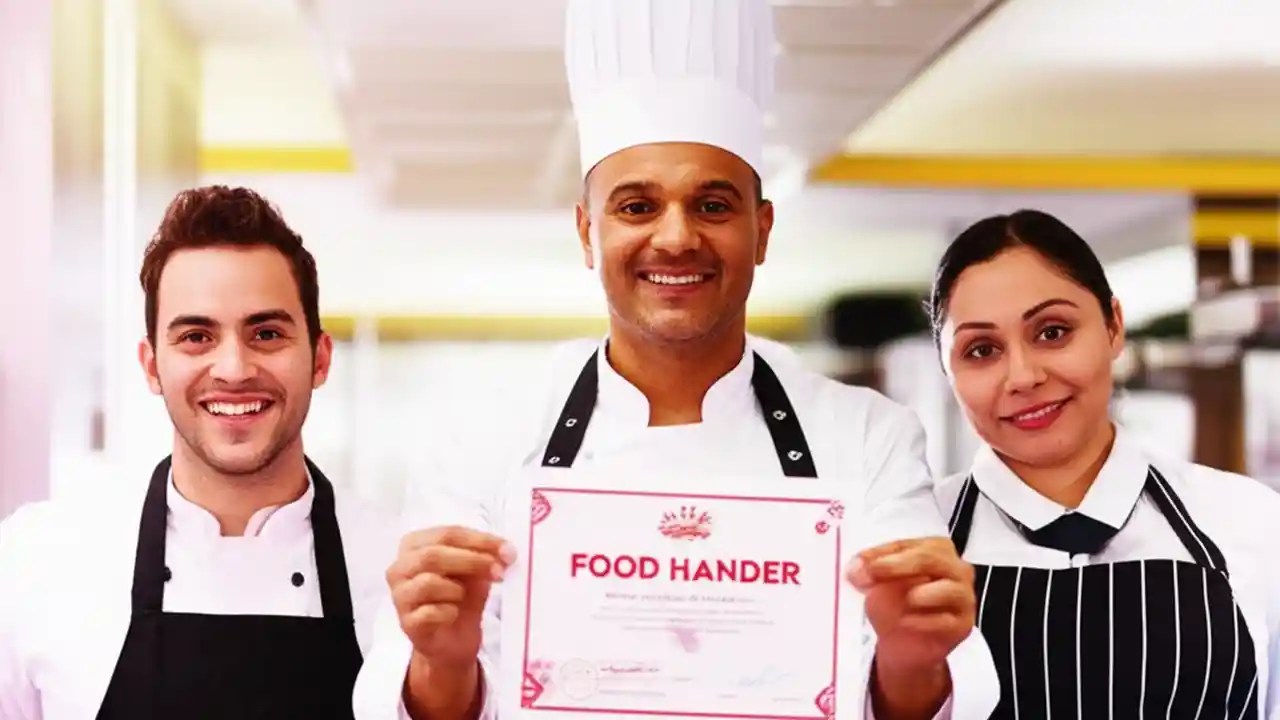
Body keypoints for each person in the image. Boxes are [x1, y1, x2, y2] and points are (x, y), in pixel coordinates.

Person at [352, 2, 998, 719]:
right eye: (636, 206)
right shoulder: (482, 437)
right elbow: (407, 699)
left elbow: (936, 696)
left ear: (762, 230)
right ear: (586, 232)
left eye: (713, 205)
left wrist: (911, 658)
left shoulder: (867, 438)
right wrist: (443, 657)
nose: (676, 237)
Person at [0, 186, 396, 718]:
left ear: (320, 359)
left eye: (267, 332)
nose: (233, 369)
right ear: (150, 366)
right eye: (195, 337)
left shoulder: (399, 570)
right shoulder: (37, 560)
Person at [928, 208, 1280, 718]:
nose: (1023, 376)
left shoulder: (1249, 520)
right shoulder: (908, 535)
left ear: (1114, 326)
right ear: (947, 372)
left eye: (1052, 332)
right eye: (982, 350)